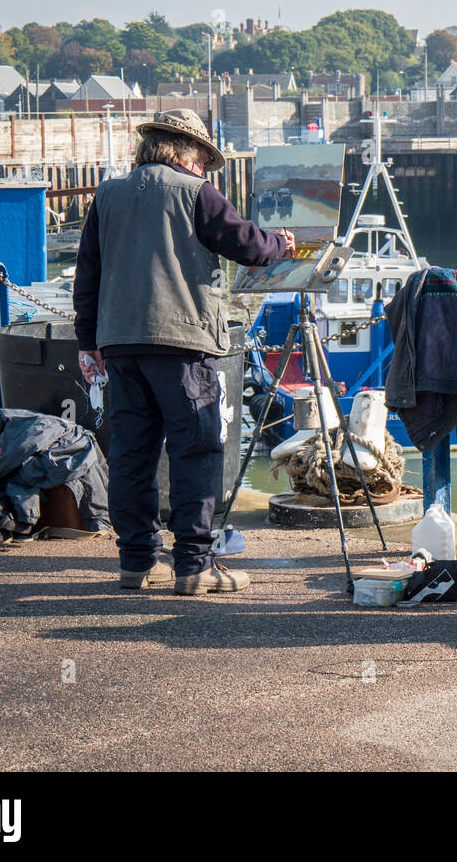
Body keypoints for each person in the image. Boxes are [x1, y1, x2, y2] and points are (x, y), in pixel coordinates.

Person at [73, 109, 294, 595]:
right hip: (182, 342)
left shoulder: (107, 195)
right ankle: (194, 566)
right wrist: (282, 243)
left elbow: (86, 275)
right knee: (195, 450)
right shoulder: (196, 192)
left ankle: (136, 562)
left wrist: (89, 340)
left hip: (121, 344)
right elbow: (250, 247)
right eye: (202, 160)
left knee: (131, 453)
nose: (204, 170)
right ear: (185, 152)